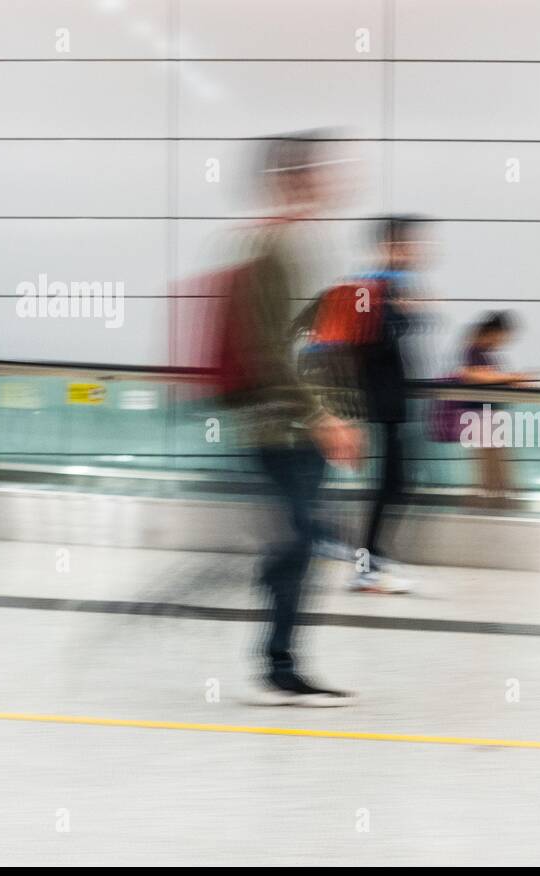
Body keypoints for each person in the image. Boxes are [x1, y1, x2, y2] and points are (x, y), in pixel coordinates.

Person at [237, 133, 362, 706]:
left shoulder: (303, 248)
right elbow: (268, 354)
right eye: (319, 171)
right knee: (304, 538)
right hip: (279, 430)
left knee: (304, 539)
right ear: (292, 179)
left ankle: (280, 656)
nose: (331, 180)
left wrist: (336, 413)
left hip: (301, 430)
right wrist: (323, 418)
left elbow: (311, 347)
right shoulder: (272, 251)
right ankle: (279, 663)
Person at [346, 215, 435, 595]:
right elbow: (371, 338)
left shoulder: (391, 286)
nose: (418, 251)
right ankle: (366, 565)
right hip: (380, 402)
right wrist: (406, 314)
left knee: (396, 483)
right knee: (389, 484)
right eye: (410, 244)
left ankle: (373, 559)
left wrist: (410, 314)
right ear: (392, 246)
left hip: (392, 402)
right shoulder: (372, 286)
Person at [455, 311, 536, 497]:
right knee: (491, 465)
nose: (504, 341)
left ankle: (499, 499)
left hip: (487, 416)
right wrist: (512, 377)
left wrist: (512, 381)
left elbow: (487, 377)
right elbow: (473, 375)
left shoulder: (481, 352)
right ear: (493, 332)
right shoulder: (473, 351)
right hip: (479, 416)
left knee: (495, 463)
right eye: (503, 336)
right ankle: (495, 502)